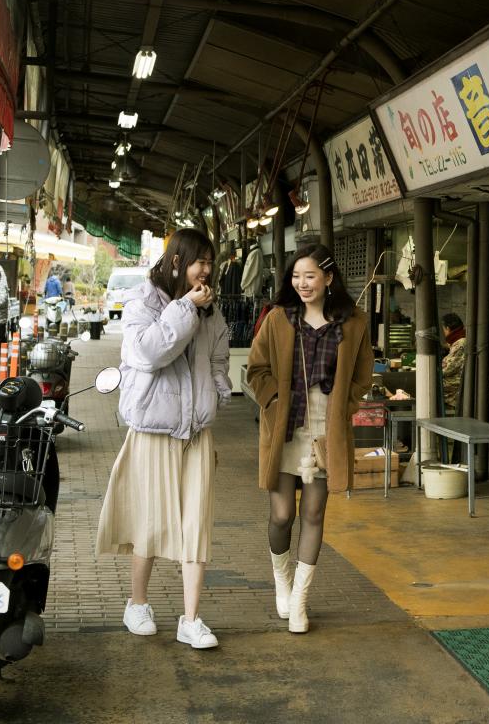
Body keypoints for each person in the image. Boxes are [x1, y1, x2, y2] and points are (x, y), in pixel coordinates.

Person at [95, 229, 230, 650]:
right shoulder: (143, 301)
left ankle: (191, 618)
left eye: (210, 262)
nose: (206, 270)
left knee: (197, 525)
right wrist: (186, 307)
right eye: (199, 261)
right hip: (153, 429)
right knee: (150, 521)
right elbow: (149, 354)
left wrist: (217, 393)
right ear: (176, 261)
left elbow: (219, 359)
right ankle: (137, 604)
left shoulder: (211, 310)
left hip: (197, 431)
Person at [247, 243, 372, 634]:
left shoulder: (353, 323)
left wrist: (344, 405)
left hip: (325, 431)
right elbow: (256, 369)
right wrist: (274, 400)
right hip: (284, 429)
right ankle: (281, 581)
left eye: (310, 276)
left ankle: (300, 602)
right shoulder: (278, 319)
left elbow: (362, 376)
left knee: (314, 515)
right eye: (296, 276)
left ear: (328, 278)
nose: (302, 283)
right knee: (282, 515)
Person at [440, 312, 467, 416]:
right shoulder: (457, 340)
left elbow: (447, 369)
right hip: (455, 383)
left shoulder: (460, 343)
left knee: (431, 387)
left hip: (455, 388)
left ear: (447, 328)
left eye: (443, 329)